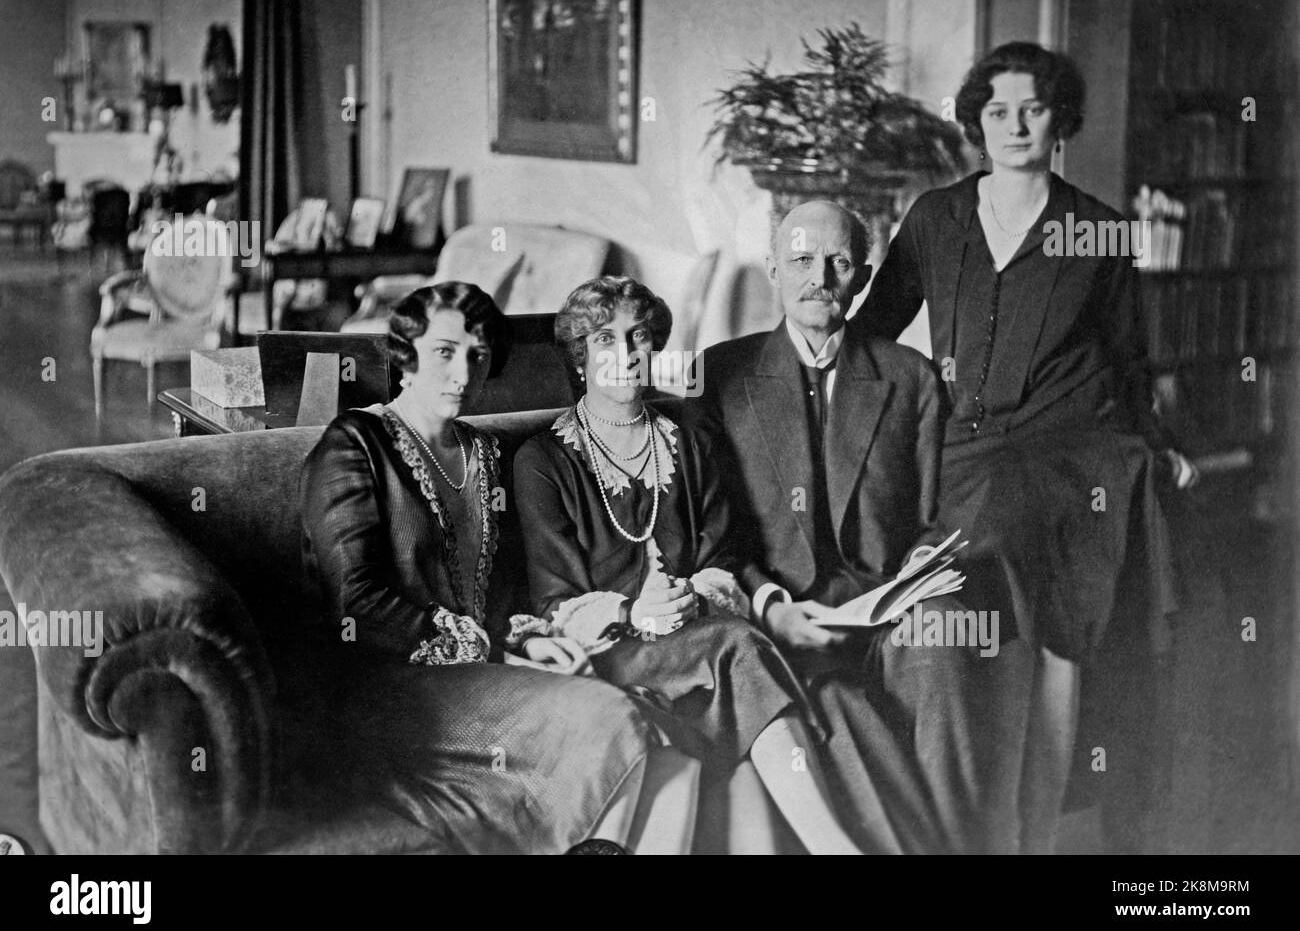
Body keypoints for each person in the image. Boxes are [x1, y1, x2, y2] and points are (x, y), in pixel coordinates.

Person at [852, 41, 1196, 851]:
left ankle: (1026, 832)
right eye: (997, 110)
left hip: (1070, 452)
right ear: (976, 119)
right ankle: (957, 820)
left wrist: (1160, 443)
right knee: (936, 596)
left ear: (1059, 120)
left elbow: (1129, 358)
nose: (1013, 125)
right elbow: (875, 327)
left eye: (1032, 109)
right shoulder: (937, 219)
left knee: (1029, 602)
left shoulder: (1097, 232)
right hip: (964, 446)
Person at [300, 281, 699, 855]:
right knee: (613, 717)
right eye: (444, 351)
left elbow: (508, 594)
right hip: (386, 691)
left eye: (477, 355)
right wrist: (490, 650)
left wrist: (531, 640)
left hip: (486, 677)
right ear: (405, 355)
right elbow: (354, 607)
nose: (462, 373)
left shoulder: (487, 453)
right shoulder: (355, 444)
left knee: (677, 760)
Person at [687, 199, 1035, 854]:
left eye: (838, 260)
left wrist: (918, 574)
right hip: (776, 614)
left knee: (943, 637)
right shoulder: (722, 377)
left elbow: (937, 516)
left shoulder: (910, 377)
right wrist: (769, 606)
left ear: (865, 274)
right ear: (772, 268)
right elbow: (713, 536)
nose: (819, 275)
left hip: (887, 610)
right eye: (800, 260)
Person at [513, 276, 866, 854]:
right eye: (605, 340)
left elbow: (723, 559)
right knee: (739, 647)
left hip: (699, 648)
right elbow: (551, 605)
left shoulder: (688, 442)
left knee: (743, 731)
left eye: (639, 336)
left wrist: (687, 602)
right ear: (581, 357)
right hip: (609, 661)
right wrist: (633, 610)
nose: (626, 355)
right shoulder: (542, 462)